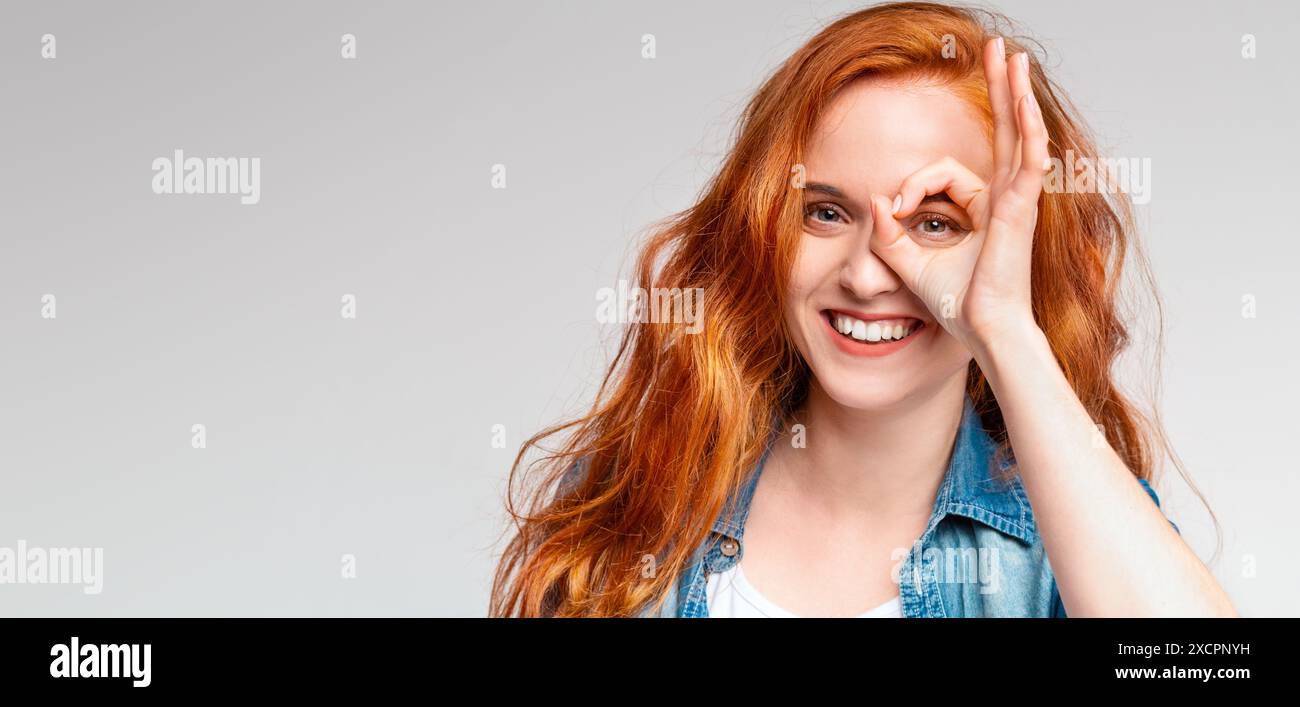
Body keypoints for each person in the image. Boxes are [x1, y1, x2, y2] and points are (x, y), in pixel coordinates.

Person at [490, 1, 1237, 618]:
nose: (866, 274)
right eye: (825, 213)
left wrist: (1005, 326)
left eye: (934, 222)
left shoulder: (1062, 546)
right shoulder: (643, 491)